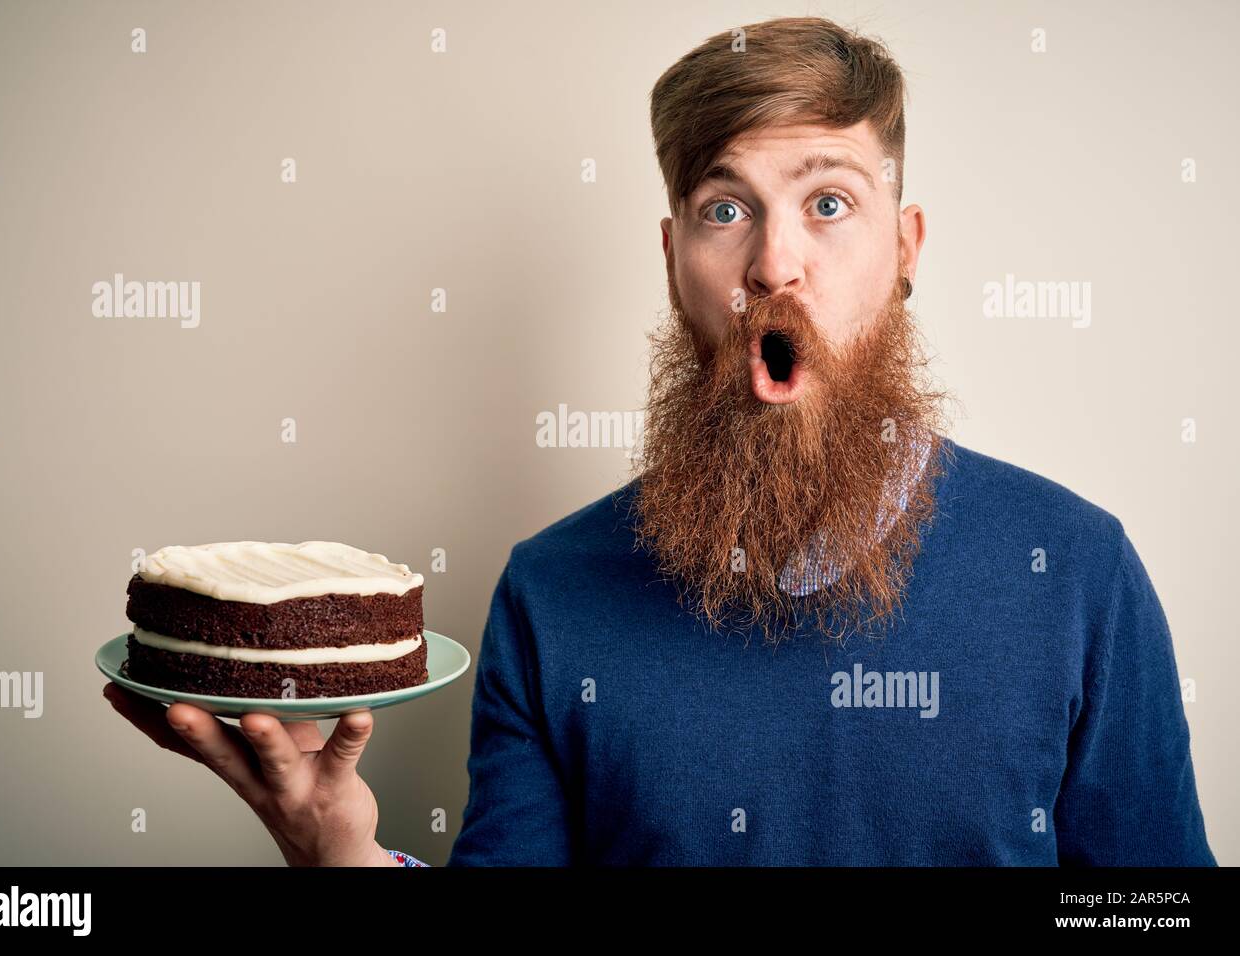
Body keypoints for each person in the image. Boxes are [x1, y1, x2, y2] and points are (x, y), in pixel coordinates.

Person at [105, 15, 1216, 866]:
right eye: (724, 209)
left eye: (829, 202)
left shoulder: (1072, 571)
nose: (775, 263)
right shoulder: (553, 594)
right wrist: (343, 853)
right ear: (673, 253)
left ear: (906, 247)